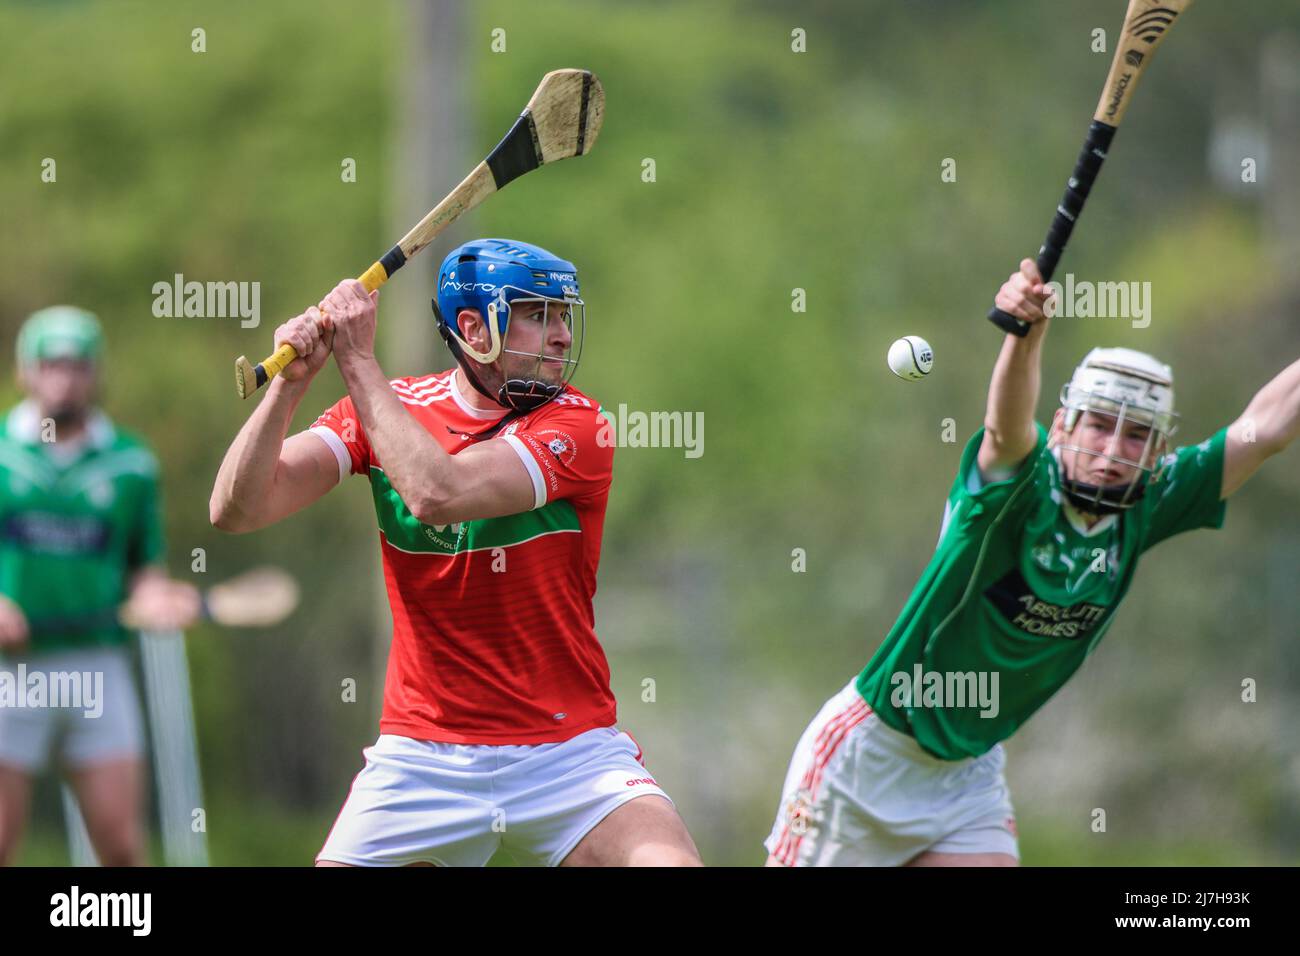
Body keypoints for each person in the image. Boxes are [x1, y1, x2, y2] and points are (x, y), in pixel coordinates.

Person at [765, 258, 1300, 867]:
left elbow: (1268, 427)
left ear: (1157, 450)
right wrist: (1027, 336)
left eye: (1135, 436)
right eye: (1099, 426)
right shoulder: (1016, 486)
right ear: (1063, 424)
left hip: (967, 776)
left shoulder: (1147, 505)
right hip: (868, 759)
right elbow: (1004, 429)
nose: (1112, 451)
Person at [211, 238, 701, 866]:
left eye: (562, 317)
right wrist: (290, 387)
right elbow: (237, 508)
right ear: (473, 327)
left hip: (570, 751)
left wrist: (357, 362)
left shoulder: (580, 424)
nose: (558, 337)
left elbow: (436, 493)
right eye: (537, 314)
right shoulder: (388, 413)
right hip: (423, 757)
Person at [0, 306, 200, 866]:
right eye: (51, 364)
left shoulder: (130, 465)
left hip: (97, 667)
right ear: (26, 372)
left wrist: (153, 598)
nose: (64, 377)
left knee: (119, 847)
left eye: (77, 365)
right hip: (11, 673)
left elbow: (143, 568)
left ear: (95, 373)